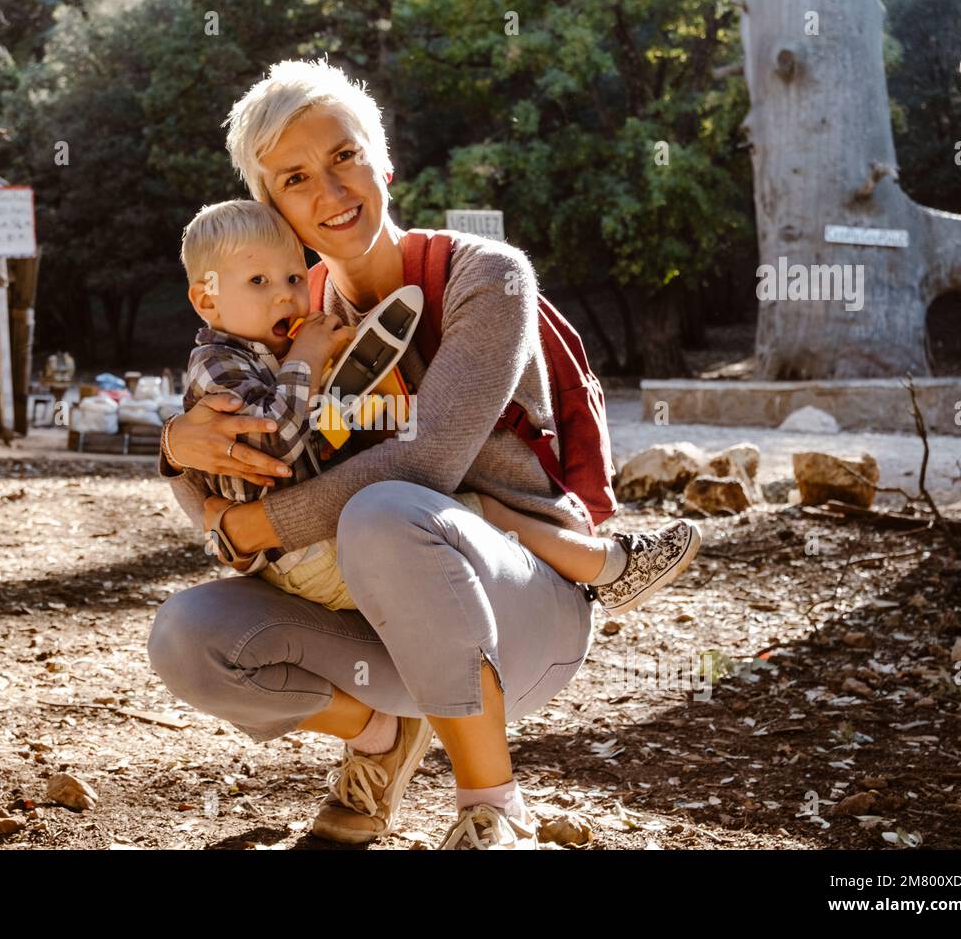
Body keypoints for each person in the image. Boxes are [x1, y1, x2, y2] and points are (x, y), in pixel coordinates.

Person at [149, 60, 698, 850]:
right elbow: (232, 455)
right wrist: (176, 452)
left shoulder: (485, 277)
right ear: (272, 207)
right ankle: (380, 735)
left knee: (386, 509)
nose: (330, 194)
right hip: (378, 632)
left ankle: (493, 808)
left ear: (384, 160)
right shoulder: (288, 320)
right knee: (188, 636)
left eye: (344, 157)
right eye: (296, 178)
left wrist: (254, 529)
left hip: (523, 622)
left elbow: (428, 463)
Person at [176, 197, 700, 616]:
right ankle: (606, 566)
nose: (286, 298)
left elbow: (345, 438)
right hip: (305, 556)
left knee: (441, 505)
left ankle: (395, 719)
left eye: (293, 278)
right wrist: (307, 363)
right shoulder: (223, 366)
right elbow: (275, 437)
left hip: (300, 547)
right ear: (207, 300)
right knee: (462, 511)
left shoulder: (275, 354)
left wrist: (345, 395)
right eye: (259, 282)